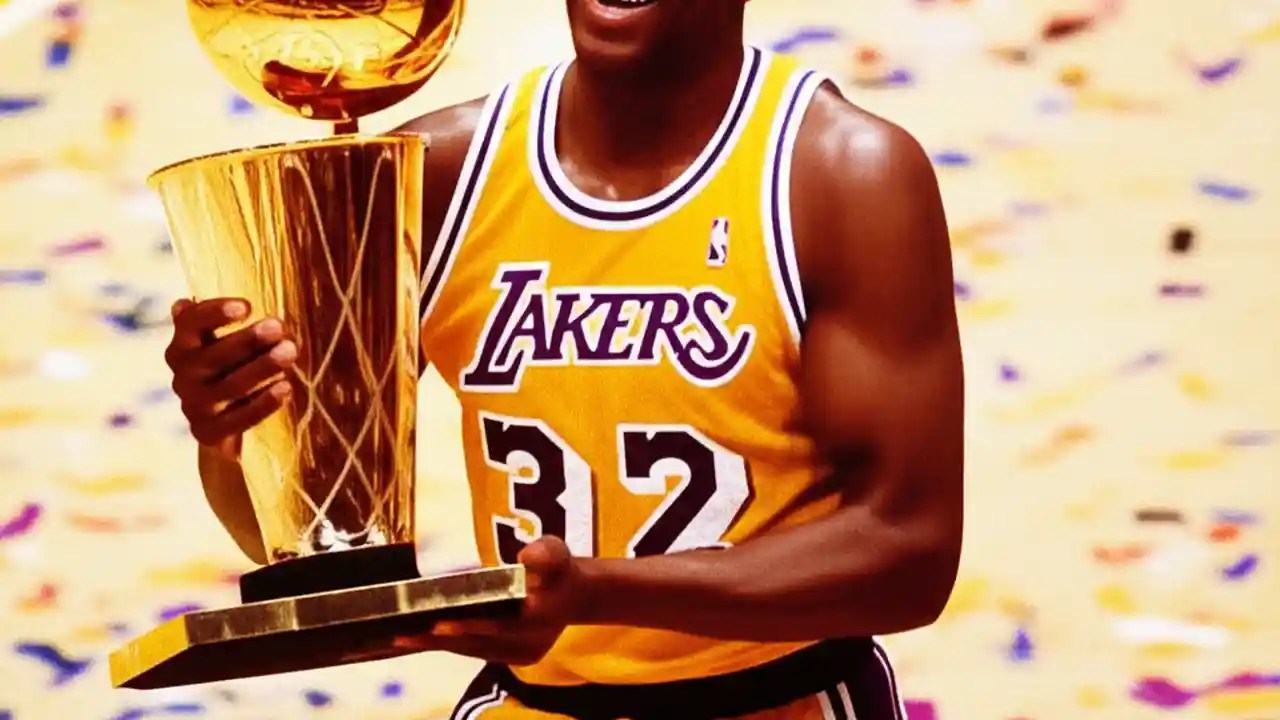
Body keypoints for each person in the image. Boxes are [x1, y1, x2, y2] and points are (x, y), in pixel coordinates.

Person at [164, 0, 965, 717]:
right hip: (533, 704)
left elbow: (907, 554)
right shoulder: (437, 173)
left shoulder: (838, 176)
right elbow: (307, 528)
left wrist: (597, 592)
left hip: (781, 699)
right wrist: (230, 428)